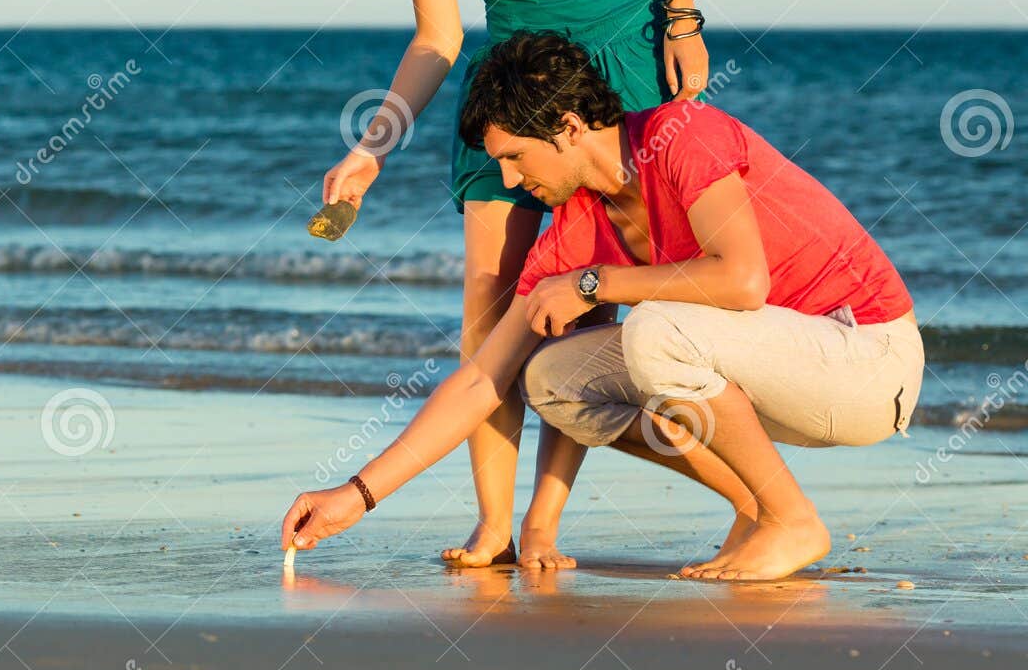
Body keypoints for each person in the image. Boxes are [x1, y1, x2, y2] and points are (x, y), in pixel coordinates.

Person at [283, 31, 923, 582]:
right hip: (780, 374)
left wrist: (595, 285)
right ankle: (759, 508)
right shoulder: (577, 224)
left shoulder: (680, 135)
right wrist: (357, 494)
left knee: (655, 331)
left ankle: (792, 519)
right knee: (551, 378)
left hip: (868, 361)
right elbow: (483, 379)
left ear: (566, 127)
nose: (509, 181)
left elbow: (742, 281)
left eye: (513, 157)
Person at [323, 0, 710, 569]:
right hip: (509, 93)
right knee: (488, 302)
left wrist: (682, 18)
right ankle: (493, 523)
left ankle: (545, 522)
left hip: (621, 72)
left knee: (585, 304)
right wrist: (372, 149)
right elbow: (437, 34)